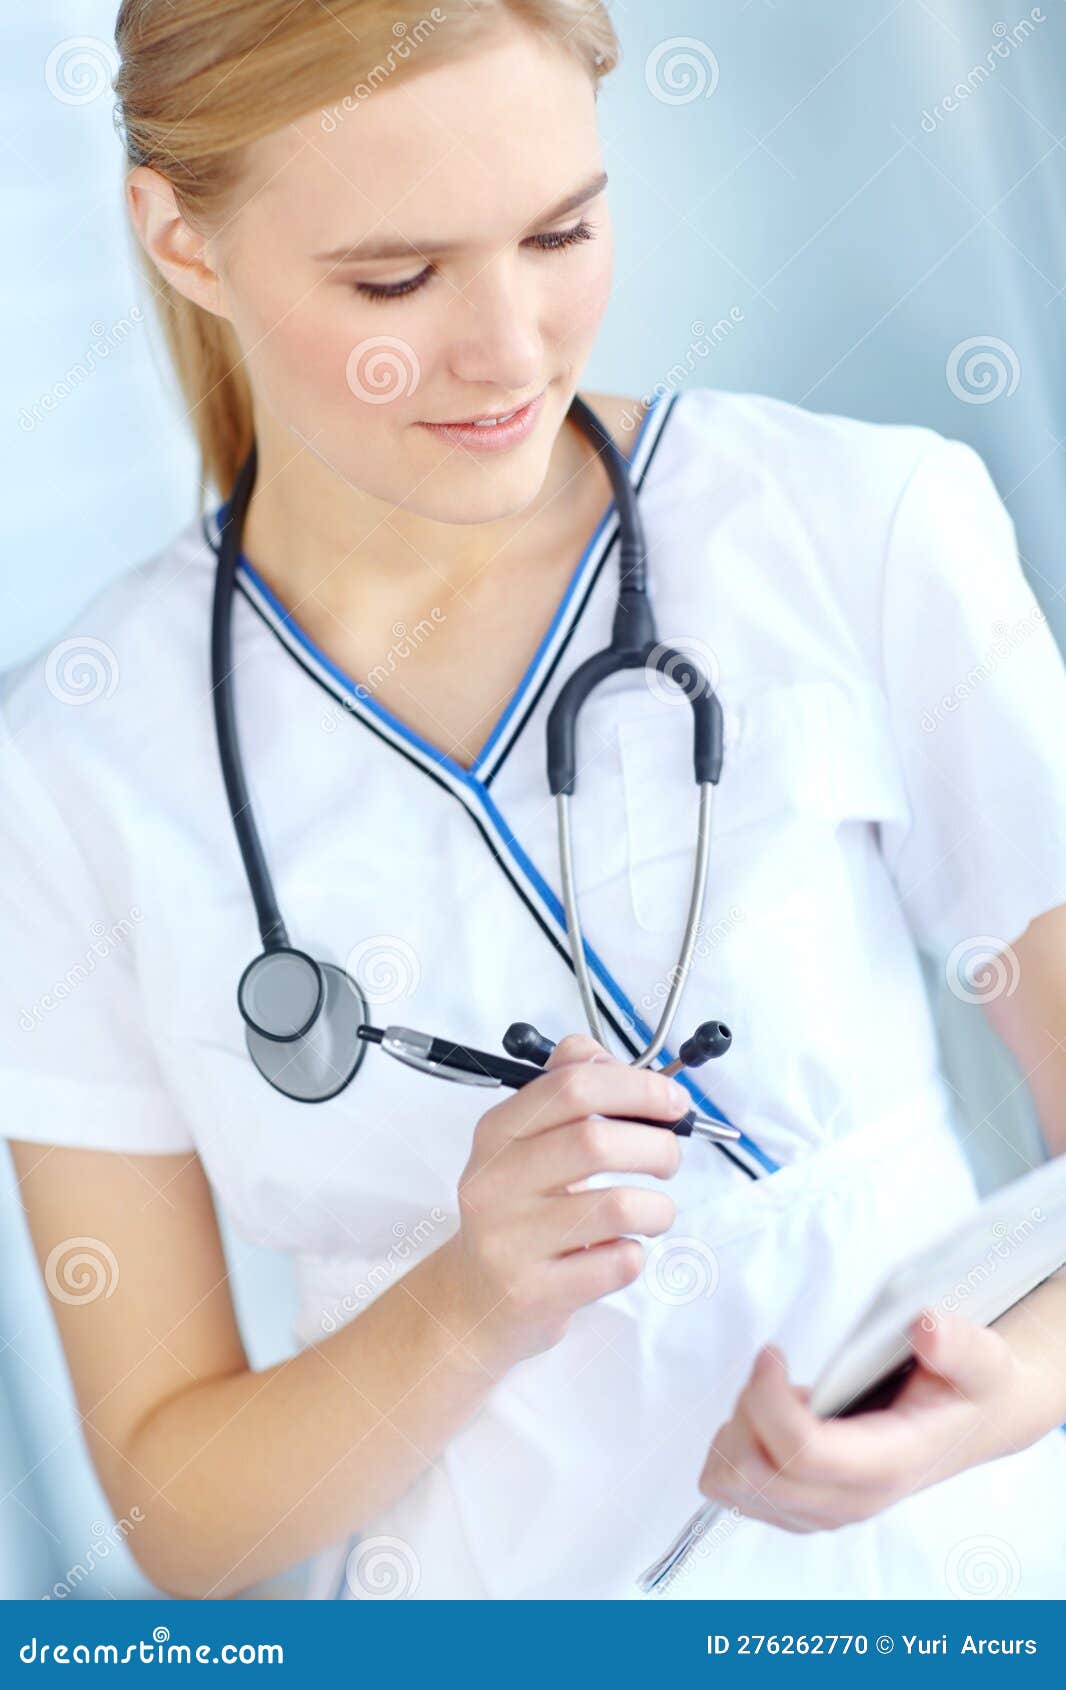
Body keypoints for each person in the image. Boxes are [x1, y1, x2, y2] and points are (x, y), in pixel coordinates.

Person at [2, 0, 1066, 1602]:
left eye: (560, 229)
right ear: (180, 236)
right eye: (395, 278)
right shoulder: (76, 768)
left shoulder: (856, 527)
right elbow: (180, 1522)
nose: (507, 348)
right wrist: (466, 1299)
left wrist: (1013, 1388)